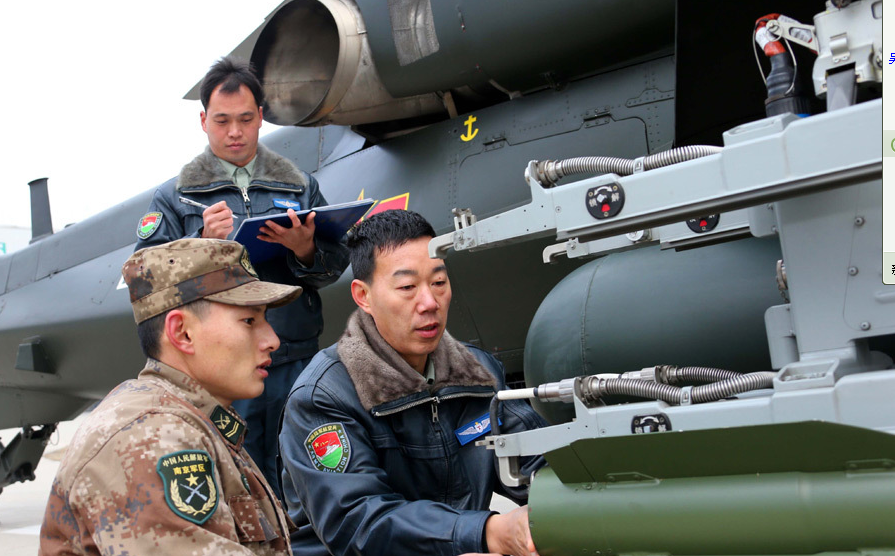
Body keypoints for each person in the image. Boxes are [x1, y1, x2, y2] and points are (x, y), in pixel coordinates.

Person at [136, 56, 349, 492]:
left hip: (296, 357)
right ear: (203, 121)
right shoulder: (176, 198)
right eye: (223, 120)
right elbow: (146, 282)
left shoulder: (299, 187)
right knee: (238, 482)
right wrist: (201, 241)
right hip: (222, 369)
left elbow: (334, 266)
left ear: (261, 119)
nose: (235, 132)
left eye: (246, 120)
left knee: (311, 478)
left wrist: (306, 250)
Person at [278, 210, 548, 556]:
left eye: (439, 282)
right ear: (363, 296)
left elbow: (537, 464)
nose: (430, 303)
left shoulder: (477, 372)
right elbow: (358, 522)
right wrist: (486, 531)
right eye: (407, 287)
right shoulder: (323, 396)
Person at [39, 238, 303, 555]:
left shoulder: (193, 419)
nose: (272, 340)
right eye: (249, 320)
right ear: (182, 333)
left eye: (265, 320)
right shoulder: (151, 436)